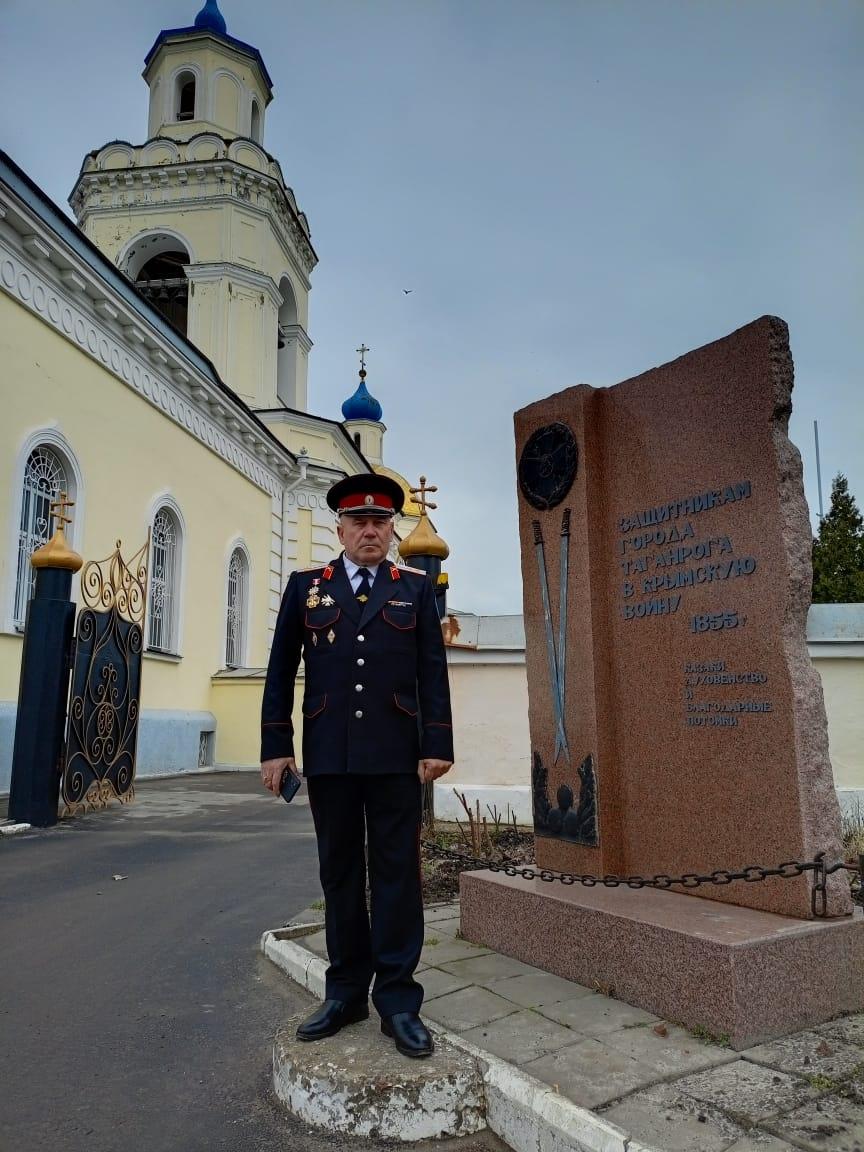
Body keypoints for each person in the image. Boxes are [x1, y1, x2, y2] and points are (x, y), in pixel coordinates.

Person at [260, 473, 453, 1058]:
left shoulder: (413, 590)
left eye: (379, 521)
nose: (370, 530)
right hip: (331, 755)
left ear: (392, 529)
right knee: (339, 872)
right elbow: (278, 672)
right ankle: (344, 993)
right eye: (358, 522)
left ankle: (397, 1000)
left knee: (396, 875)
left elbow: (431, 672)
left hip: (395, 754)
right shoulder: (305, 589)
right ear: (340, 529)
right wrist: (276, 746)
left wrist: (437, 742)